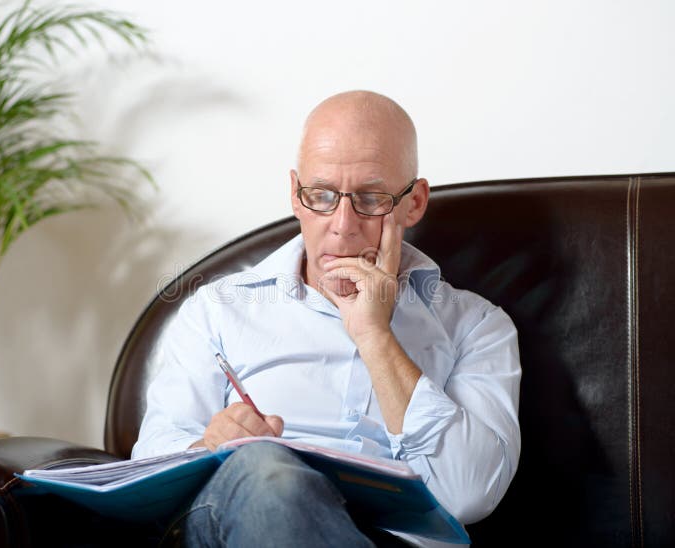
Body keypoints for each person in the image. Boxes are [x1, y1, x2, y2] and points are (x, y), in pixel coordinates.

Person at [132, 90, 521, 547]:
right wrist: (208, 448)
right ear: (295, 195)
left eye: (371, 199)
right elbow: (152, 459)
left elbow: (467, 495)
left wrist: (375, 335)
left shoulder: (477, 326)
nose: (341, 225)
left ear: (414, 203)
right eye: (320, 196)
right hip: (242, 521)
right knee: (268, 473)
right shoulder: (217, 310)